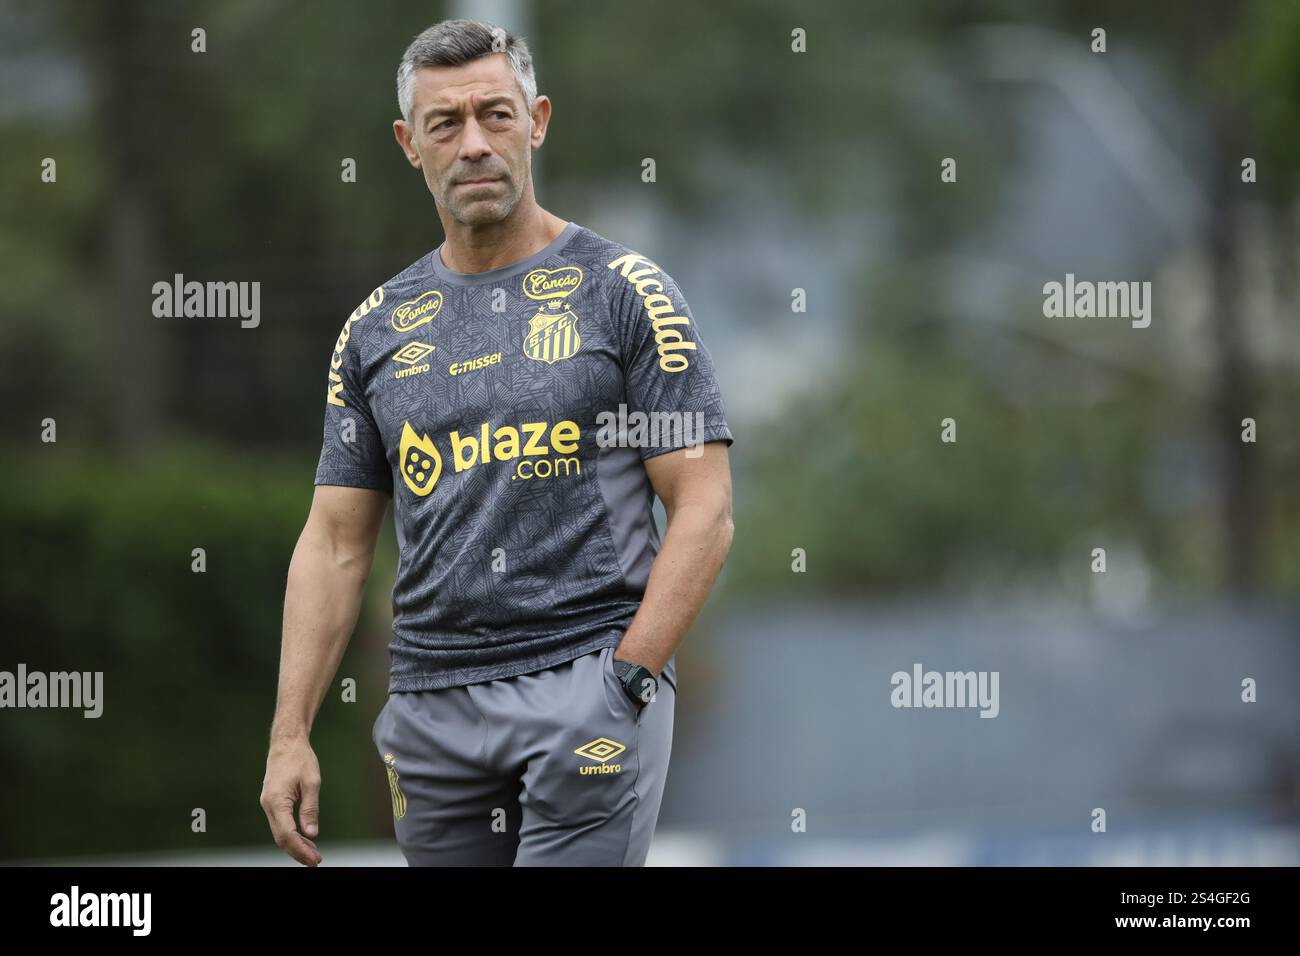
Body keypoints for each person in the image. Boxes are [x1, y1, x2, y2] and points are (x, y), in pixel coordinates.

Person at [259, 17, 734, 866]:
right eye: (446, 123)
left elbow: (705, 508)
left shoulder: (627, 292)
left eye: (496, 115)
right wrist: (289, 734)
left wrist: (630, 678)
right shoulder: (372, 330)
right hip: (429, 711)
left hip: (587, 680)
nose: (474, 143)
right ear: (411, 143)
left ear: (538, 121)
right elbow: (334, 543)